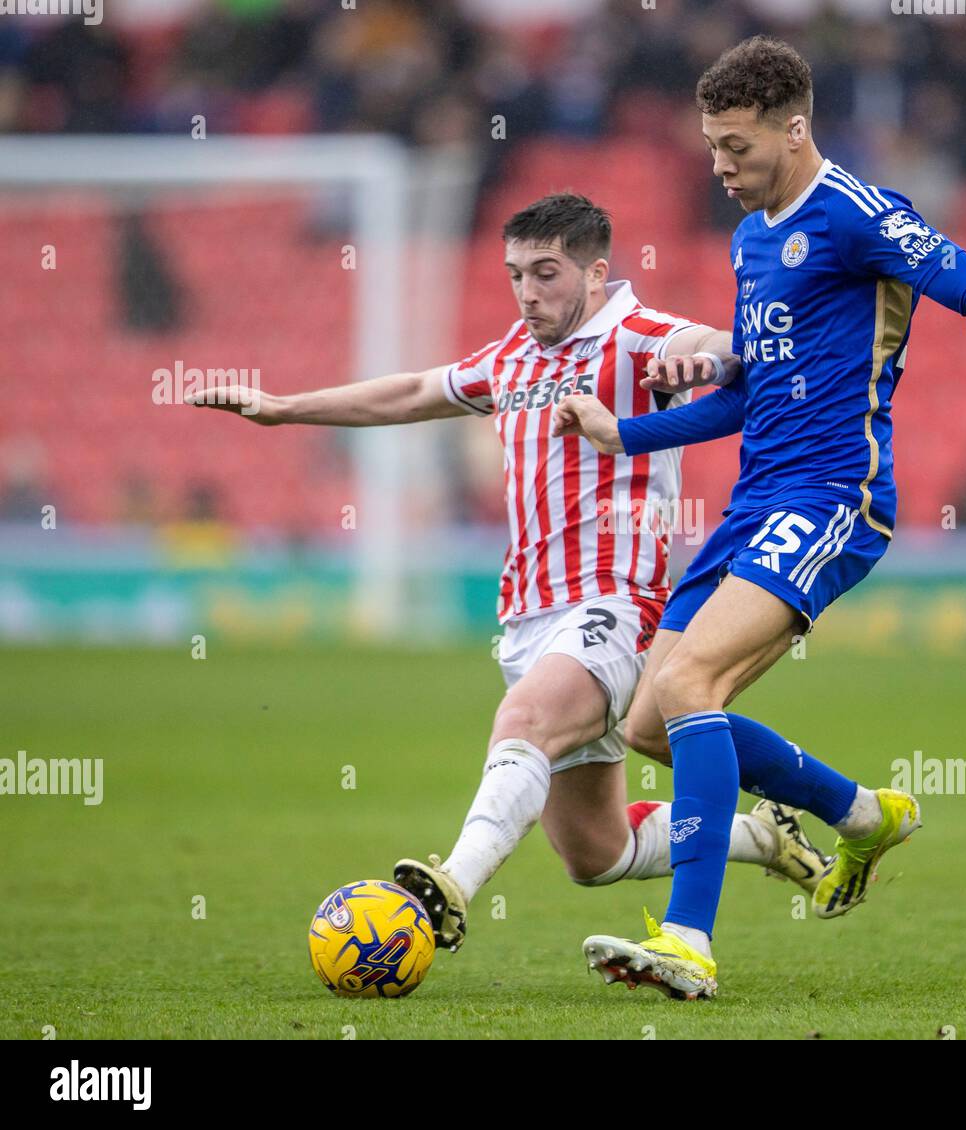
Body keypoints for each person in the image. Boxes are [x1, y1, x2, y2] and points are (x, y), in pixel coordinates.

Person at [189, 192, 830, 958]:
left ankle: (447, 891)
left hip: (617, 605)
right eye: (515, 273)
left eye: (547, 273)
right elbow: (412, 392)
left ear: (596, 273)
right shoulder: (511, 358)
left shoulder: (637, 338)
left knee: (522, 723)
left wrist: (713, 360)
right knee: (593, 856)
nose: (528, 291)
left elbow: (722, 344)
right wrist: (284, 408)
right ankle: (761, 837)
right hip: (528, 618)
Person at [554, 38, 966, 1001]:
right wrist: (629, 433)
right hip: (753, 503)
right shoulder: (748, 241)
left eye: (735, 146)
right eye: (710, 147)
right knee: (653, 720)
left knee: (693, 679)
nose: (720, 167)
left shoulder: (857, 216)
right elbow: (756, 397)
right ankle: (862, 815)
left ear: (795, 127)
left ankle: (689, 942)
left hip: (832, 497)